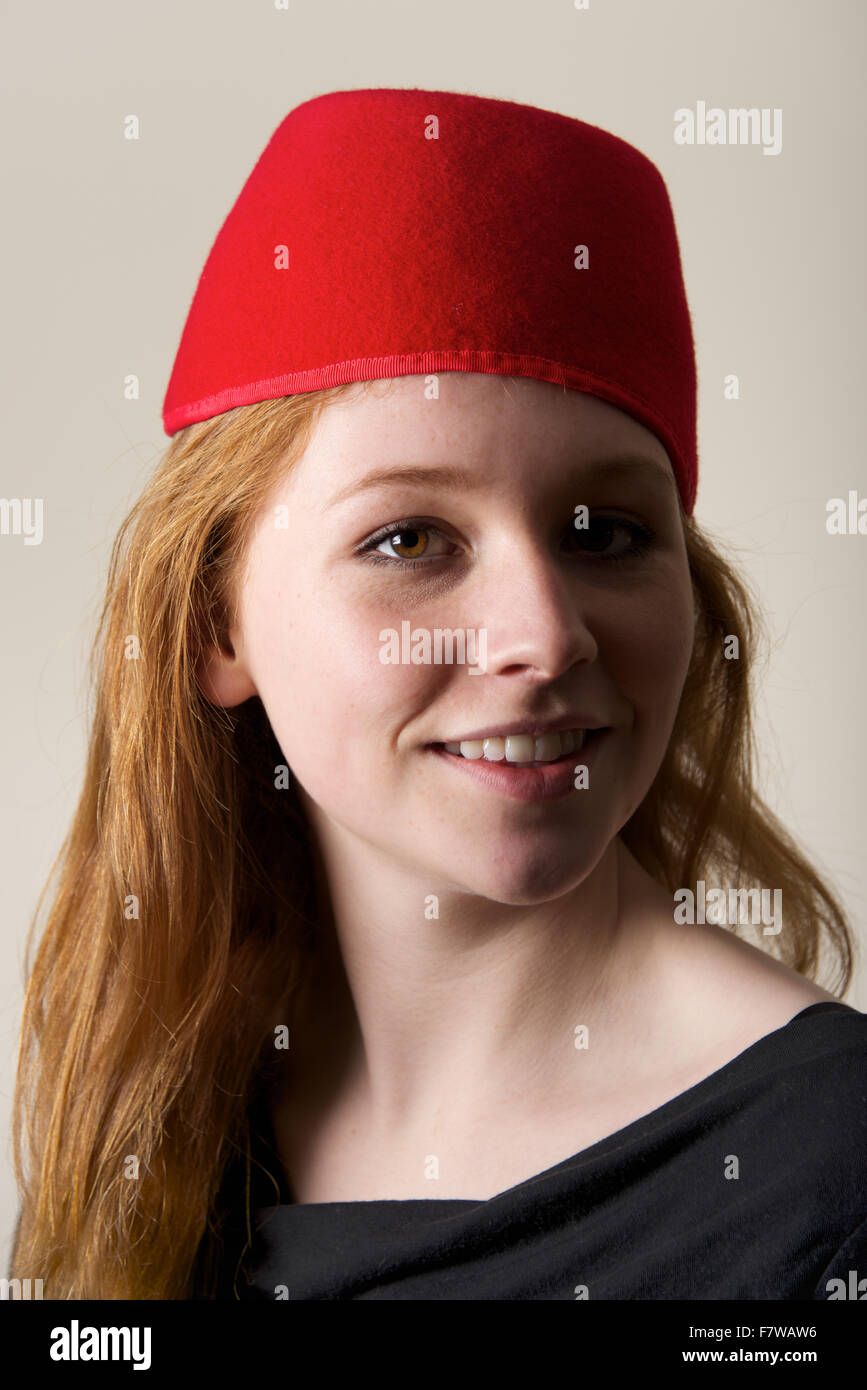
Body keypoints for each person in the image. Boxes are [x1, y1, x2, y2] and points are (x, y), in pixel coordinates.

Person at [8, 88, 865, 1301]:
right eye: (411, 540)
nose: (542, 634)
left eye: (606, 532)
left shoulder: (830, 1191)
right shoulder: (176, 1118)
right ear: (216, 622)